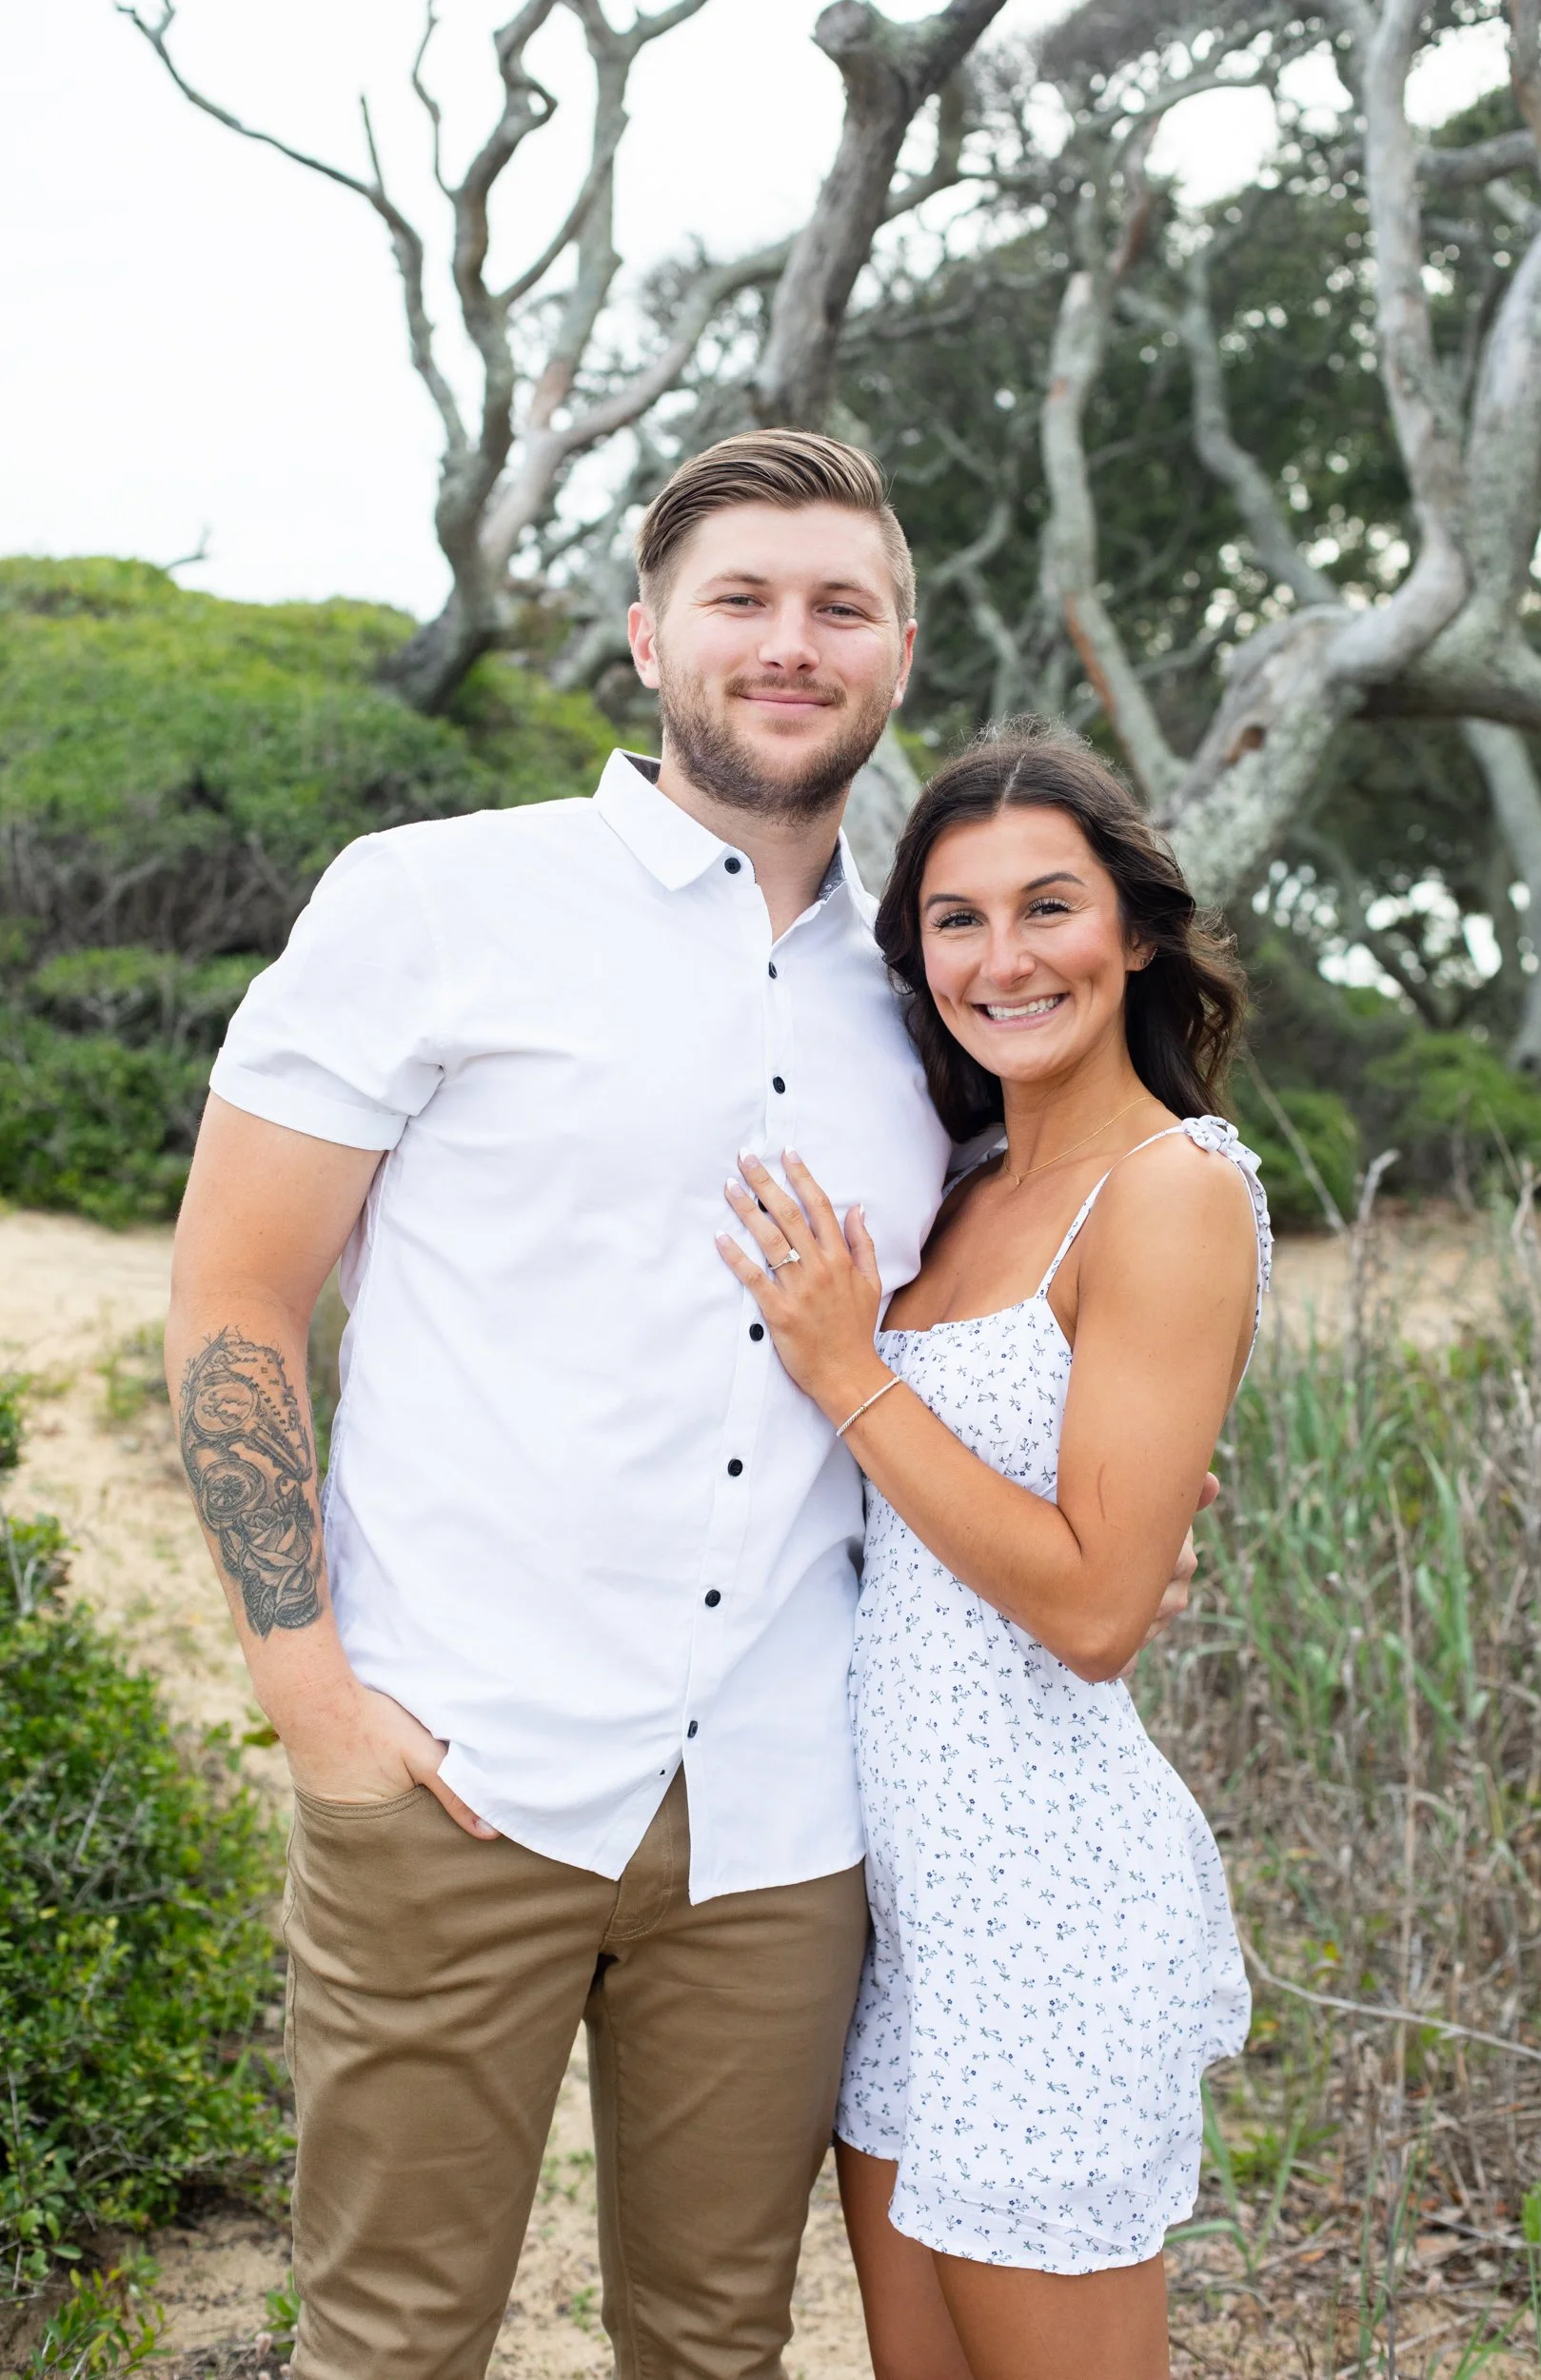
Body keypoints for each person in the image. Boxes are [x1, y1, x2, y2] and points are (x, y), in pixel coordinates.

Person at [165, 430, 1199, 2380]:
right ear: (645, 633)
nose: (787, 642)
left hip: (783, 1813)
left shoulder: (930, 987)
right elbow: (235, 1288)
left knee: (716, 2340)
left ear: (895, 649)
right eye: (741, 597)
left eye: (838, 605)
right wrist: (307, 1682)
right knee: (390, 2337)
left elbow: (1017, 1292)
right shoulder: (431, 901)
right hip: (457, 1760)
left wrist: (1127, 1477)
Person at [715, 727, 1267, 2380]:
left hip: (1049, 1906)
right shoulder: (961, 1188)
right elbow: (980, 1524)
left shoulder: (1170, 1189)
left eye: (1048, 907)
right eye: (955, 921)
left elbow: (1095, 1612)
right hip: (912, 1911)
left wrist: (845, 1369)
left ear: (1139, 931)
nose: (1003, 958)